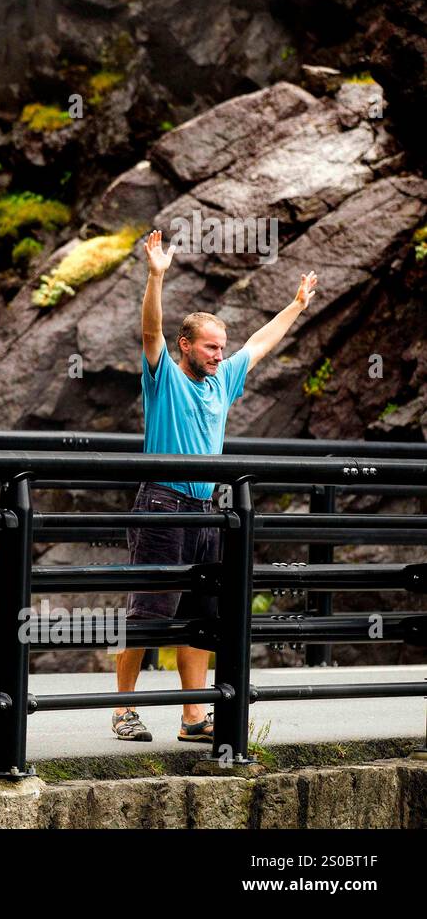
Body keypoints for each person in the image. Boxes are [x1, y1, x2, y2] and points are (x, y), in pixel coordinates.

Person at [111, 229, 319, 742]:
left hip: (207, 509)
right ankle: (123, 710)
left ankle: (192, 718)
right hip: (162, 502)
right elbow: (149, 333)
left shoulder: (223, 379)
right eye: (209, 347)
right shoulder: (165, 376)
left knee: (202, 614)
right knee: (148, 610)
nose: (218, 355)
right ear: (187, 346)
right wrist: (156, 277)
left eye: (221, 348)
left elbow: (260, 344)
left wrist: (295, 306)